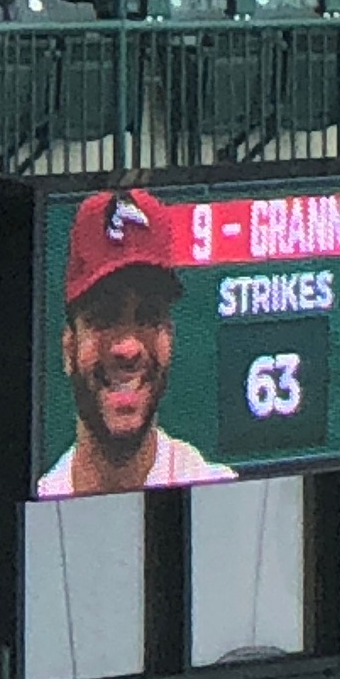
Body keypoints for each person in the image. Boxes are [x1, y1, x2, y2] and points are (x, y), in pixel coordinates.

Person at [38, 188, 235, 496]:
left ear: (168, 338)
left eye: (147, 317)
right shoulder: (42, 500)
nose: (128, 348)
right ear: (69, 348)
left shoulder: (218, 493)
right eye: (104, 318)